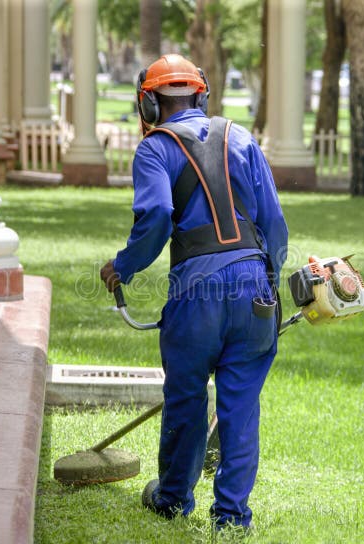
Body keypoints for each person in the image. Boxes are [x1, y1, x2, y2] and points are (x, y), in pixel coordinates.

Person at [99, 54, 288, 531]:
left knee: (186, 396)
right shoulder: (241, 137)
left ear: (148, 104)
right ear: (201, 96)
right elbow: (275, 225)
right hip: (254, 289)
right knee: (240, 405)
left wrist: (123, 267)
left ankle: (172, 499)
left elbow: (158, 216)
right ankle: (230, 517)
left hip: (196, 291)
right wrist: (267, 279)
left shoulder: (154, 149)